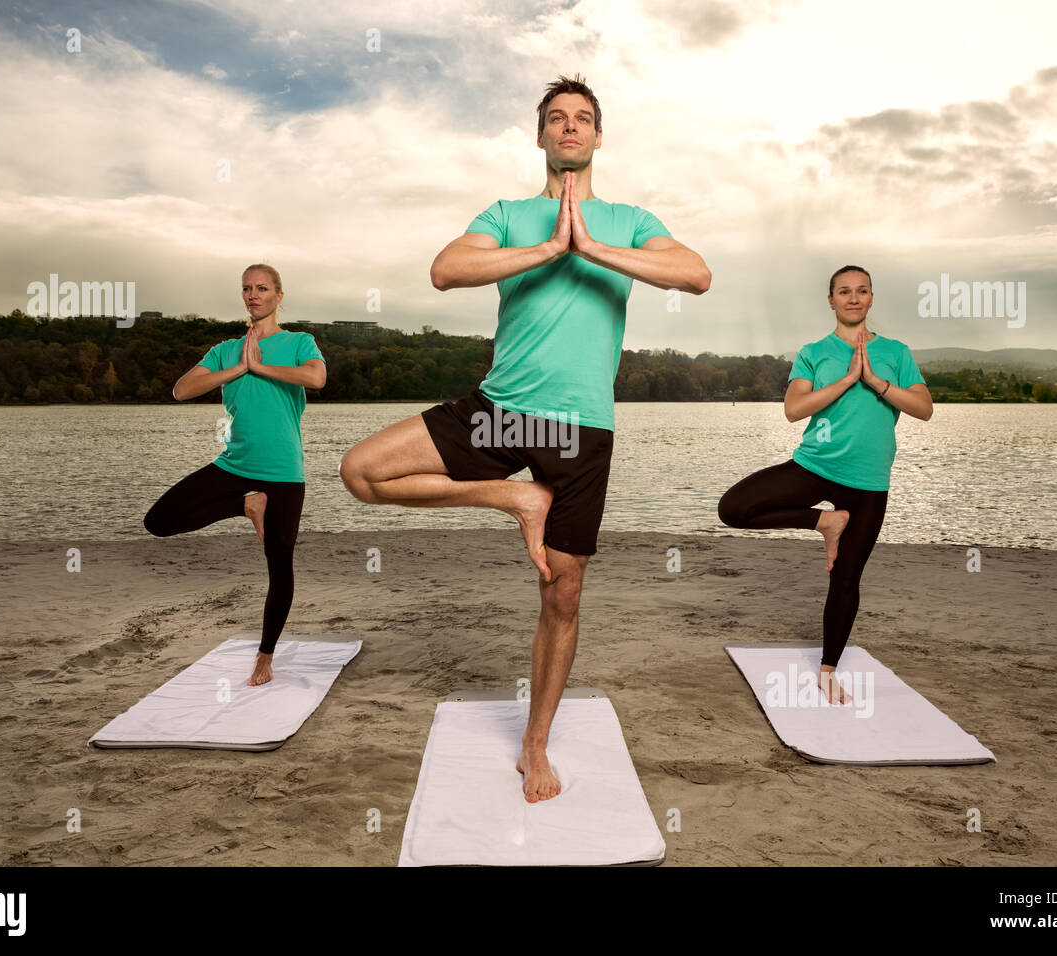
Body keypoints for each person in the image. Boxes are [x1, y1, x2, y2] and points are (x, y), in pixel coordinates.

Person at [339, 74, 710, 802]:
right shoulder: (508, 213)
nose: (569, 129)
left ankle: (535, 743)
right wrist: (548, 250)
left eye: (582, 119)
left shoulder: (629, 219)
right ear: (540, 135)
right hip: (501, 410)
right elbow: (448, 269)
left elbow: (694, 274)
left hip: (581, 433)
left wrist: (592, 247)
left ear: (599, 137)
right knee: (362, 471)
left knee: (562, 598)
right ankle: (516, 500)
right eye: (556, 119)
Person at [717, 265, 933, 704]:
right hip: (815, 465)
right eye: (843, 292)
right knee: (734, 509)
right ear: (830, 300)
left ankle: (829, 669)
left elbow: (924, 408)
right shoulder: (814, 352)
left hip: (869, 482)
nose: (853, 298)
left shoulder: (895, 351)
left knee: (847, 578)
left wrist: (876, 382)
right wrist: (848, 380)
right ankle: (824, 522)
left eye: (861, 291)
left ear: (871, 298)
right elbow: (794, 409)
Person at [143, 264, 327, 687]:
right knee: (160, 521)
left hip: (283, 470)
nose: (253, 294)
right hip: (234, 464)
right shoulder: (226, 349)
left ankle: (265, 655)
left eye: (262, 288)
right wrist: (239, 369)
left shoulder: (299, 342)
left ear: (280, 296)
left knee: (279, 564)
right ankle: (246, 503)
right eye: (246, 288)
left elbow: (317, 377)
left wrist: (263, 368)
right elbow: (182, 389)